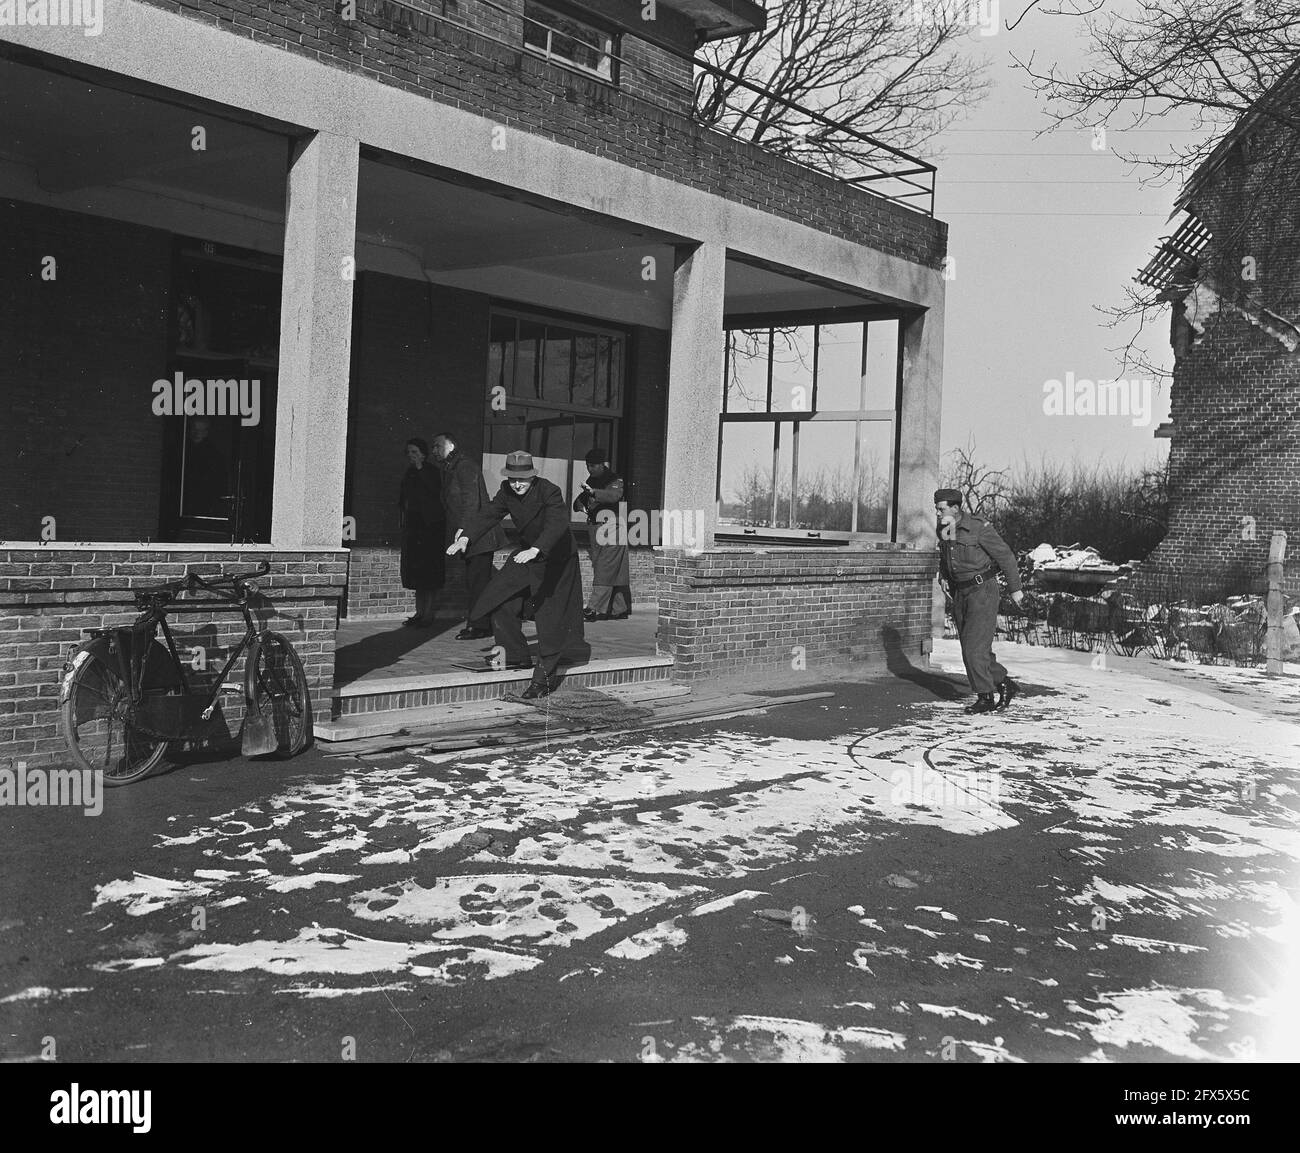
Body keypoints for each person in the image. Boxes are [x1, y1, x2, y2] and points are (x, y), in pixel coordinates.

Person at [447, 450, 589, 699]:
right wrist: (466, 537)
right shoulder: (506, 491)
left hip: (556, 558)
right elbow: (488, 514)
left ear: (533, 476)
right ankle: (514, 653)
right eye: (513, 479)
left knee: (550, 618)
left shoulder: (549, 491)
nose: (517, 484)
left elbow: (557, 523)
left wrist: (537, 548)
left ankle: (543, 680)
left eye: (522, 479)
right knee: (499, 596)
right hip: (526, 554)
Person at [934, 487, 1024, 713]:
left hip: (982, 591)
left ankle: (985, 697)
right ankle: (1004, 684)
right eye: (936, 508)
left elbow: (1005, 556)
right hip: (960, 593)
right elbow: (947, 557)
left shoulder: (978, 528)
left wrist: (1016, 590)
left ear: (955, 508)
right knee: (973, 648)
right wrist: (944, 576)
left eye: (941, 508)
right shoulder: (946, 527)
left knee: (974, 650)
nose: (937, 513)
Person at [432, 432, 505, 640]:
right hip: (472, 534)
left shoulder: (465, 466)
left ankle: (480, 626)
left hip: (479, 535)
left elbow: (471, 500)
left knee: (478, 582)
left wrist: (463, 530)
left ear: (451, 446)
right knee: (476, 581)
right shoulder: (451, 468)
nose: (434, 451)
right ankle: (482, 623)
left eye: (438, 446)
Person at [573, 448, 631, 621]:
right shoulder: (592, 480)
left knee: (604, 567)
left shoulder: (615, 479)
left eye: (593, 465)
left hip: (612, 527)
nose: (590, 469)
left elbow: (614, 496)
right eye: (588, 465)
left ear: (602, 464)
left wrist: (593, 493)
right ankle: (619, 608)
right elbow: (582, 499)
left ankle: (593, 608)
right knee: (612, 568)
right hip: (597, 528)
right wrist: (579, 504)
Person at [398, 438, 446, 627]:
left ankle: (428, 614)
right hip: (415, 527)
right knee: (417, 574)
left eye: (415, 452)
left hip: (431, 528)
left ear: (423, 454)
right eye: (409, 453)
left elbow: (434, 491)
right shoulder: (409, 473)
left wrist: (420, 468)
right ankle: (419, 613)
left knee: (430, 574)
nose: (411, 456)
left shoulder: (431, 471)